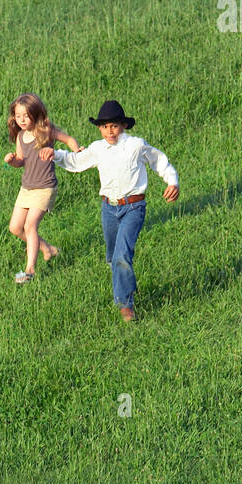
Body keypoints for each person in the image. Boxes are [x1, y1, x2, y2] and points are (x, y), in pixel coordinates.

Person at [52, 100, 179, 320]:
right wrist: (53, 154)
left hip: (133, 207)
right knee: (113, 257)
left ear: (123, 125)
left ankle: (125, 305)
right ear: (99, 128)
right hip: (109, 209)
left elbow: (159, 160)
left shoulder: (135, 145)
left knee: (122, 255)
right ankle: (128, 285)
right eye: (104, 126)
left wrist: (172, 182)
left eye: (114, 126)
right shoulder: (98, 149)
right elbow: (76, 161)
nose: (109, 131)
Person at [4, 93, 81, 284]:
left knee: (30, 225)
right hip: (27, 188)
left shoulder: (47, 130)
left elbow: (69, 139)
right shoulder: (21, 136)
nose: (21, 120)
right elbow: (21, 161)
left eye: (26, 115)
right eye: (18, 115)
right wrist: (12, 161)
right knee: (15, 227)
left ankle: (29, 270)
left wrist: (77, 151)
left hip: (45, 188)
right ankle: (48, 249)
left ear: (36, 114)